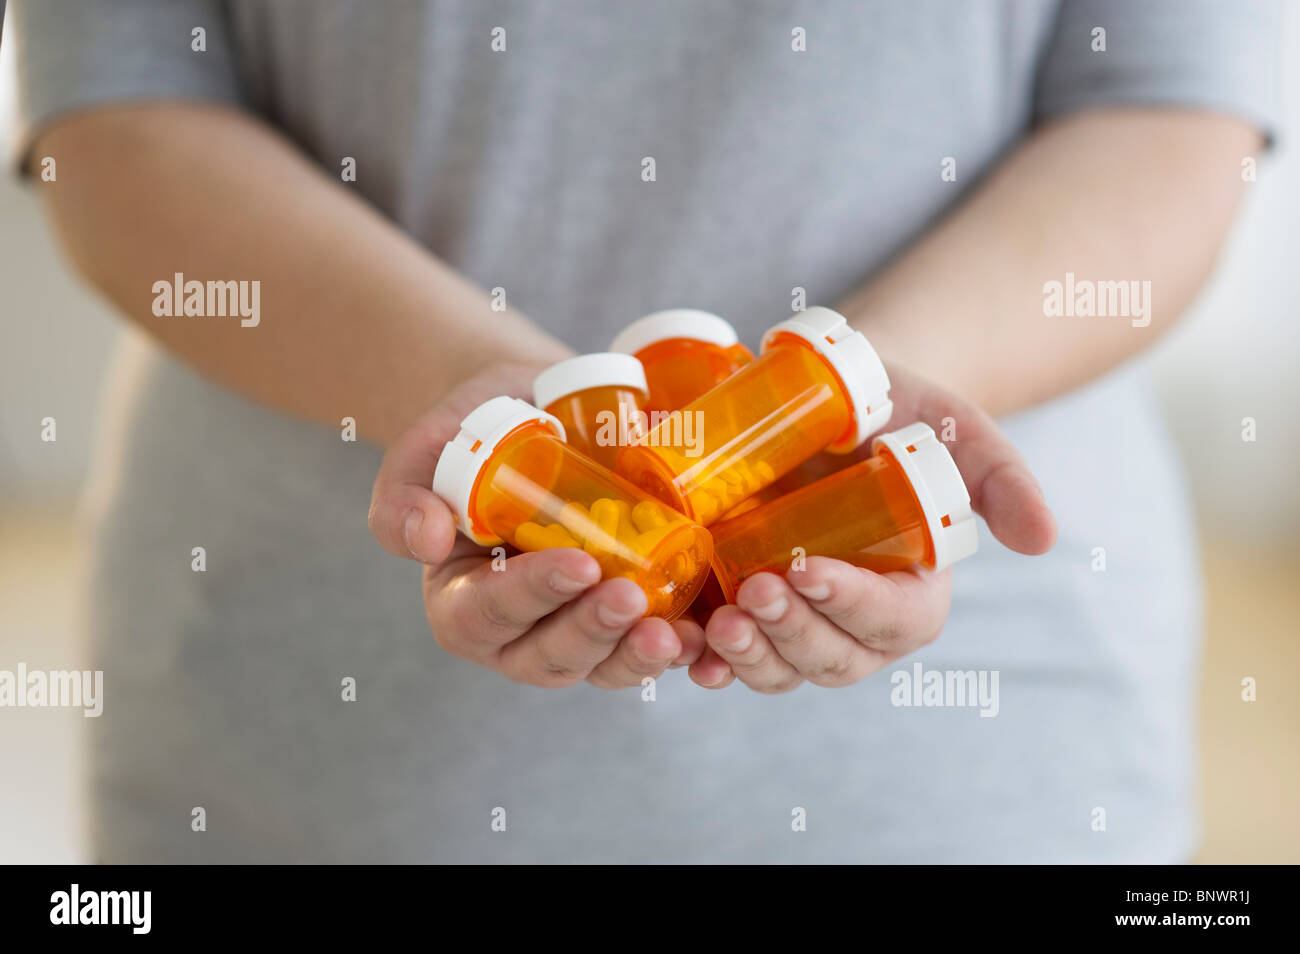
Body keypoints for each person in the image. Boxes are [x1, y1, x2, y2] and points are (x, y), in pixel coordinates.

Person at [8, 0, 1278, 862]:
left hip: (970, 763)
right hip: (317, 749)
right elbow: (114, 110)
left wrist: (889, 381)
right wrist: (477, 382)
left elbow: (1171, 109)